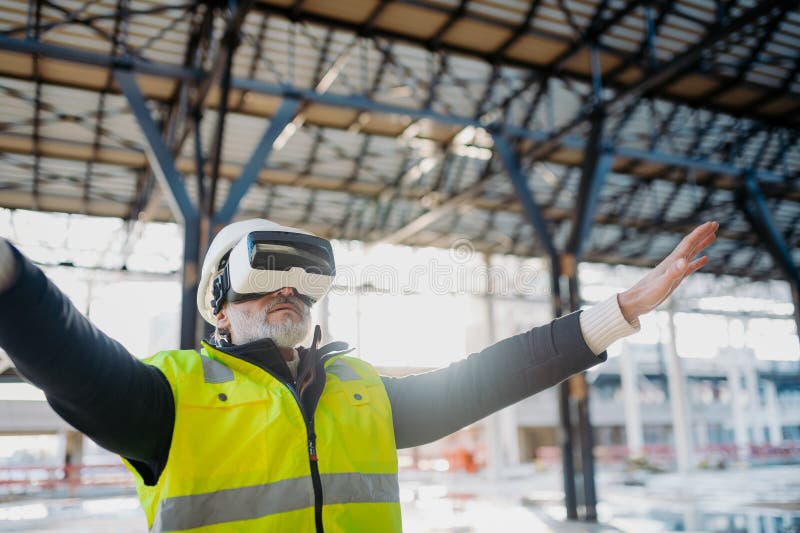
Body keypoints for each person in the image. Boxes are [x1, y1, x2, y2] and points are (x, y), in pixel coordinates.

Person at [0, 218, 718, 532]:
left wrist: (619, 309)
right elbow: (69, 354)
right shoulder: (169, 398)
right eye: (260, 278)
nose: (286, 291)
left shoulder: (362, 390)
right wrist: (9, 279)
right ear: (218, 312)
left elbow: (493, 375)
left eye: (298, 281)